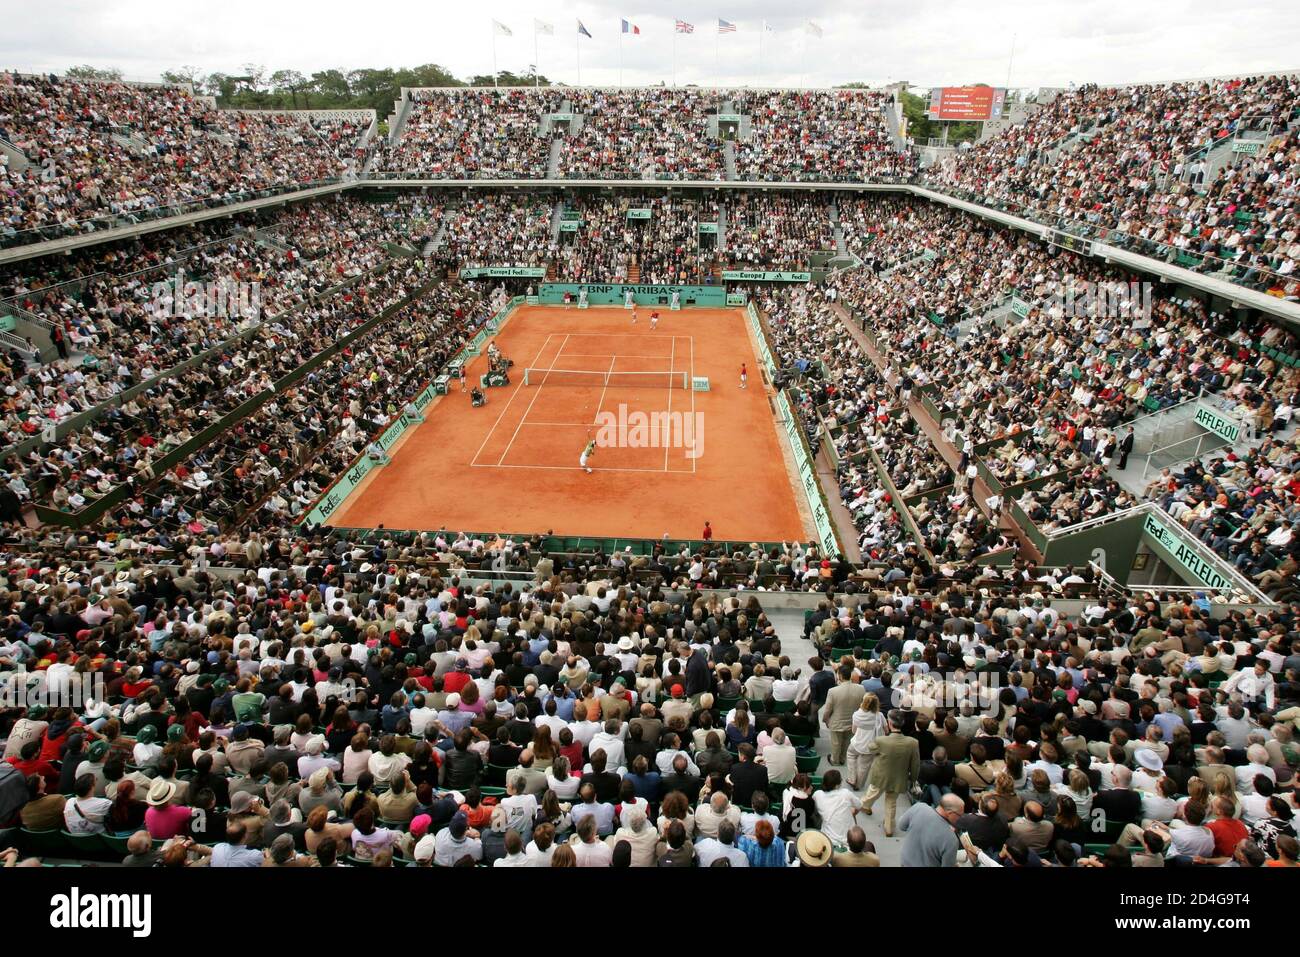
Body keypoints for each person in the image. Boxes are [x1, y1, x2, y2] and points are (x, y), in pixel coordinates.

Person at [861, 710, 921, 837]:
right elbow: (915, 764)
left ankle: (865, 806)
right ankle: (889, 828)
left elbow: (870, 748)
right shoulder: (912, 742)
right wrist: (914, 779)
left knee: (872, 793)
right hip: (899, 778)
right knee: (891, 803)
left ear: (889, 723)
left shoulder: (881, 740)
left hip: (881, 775)